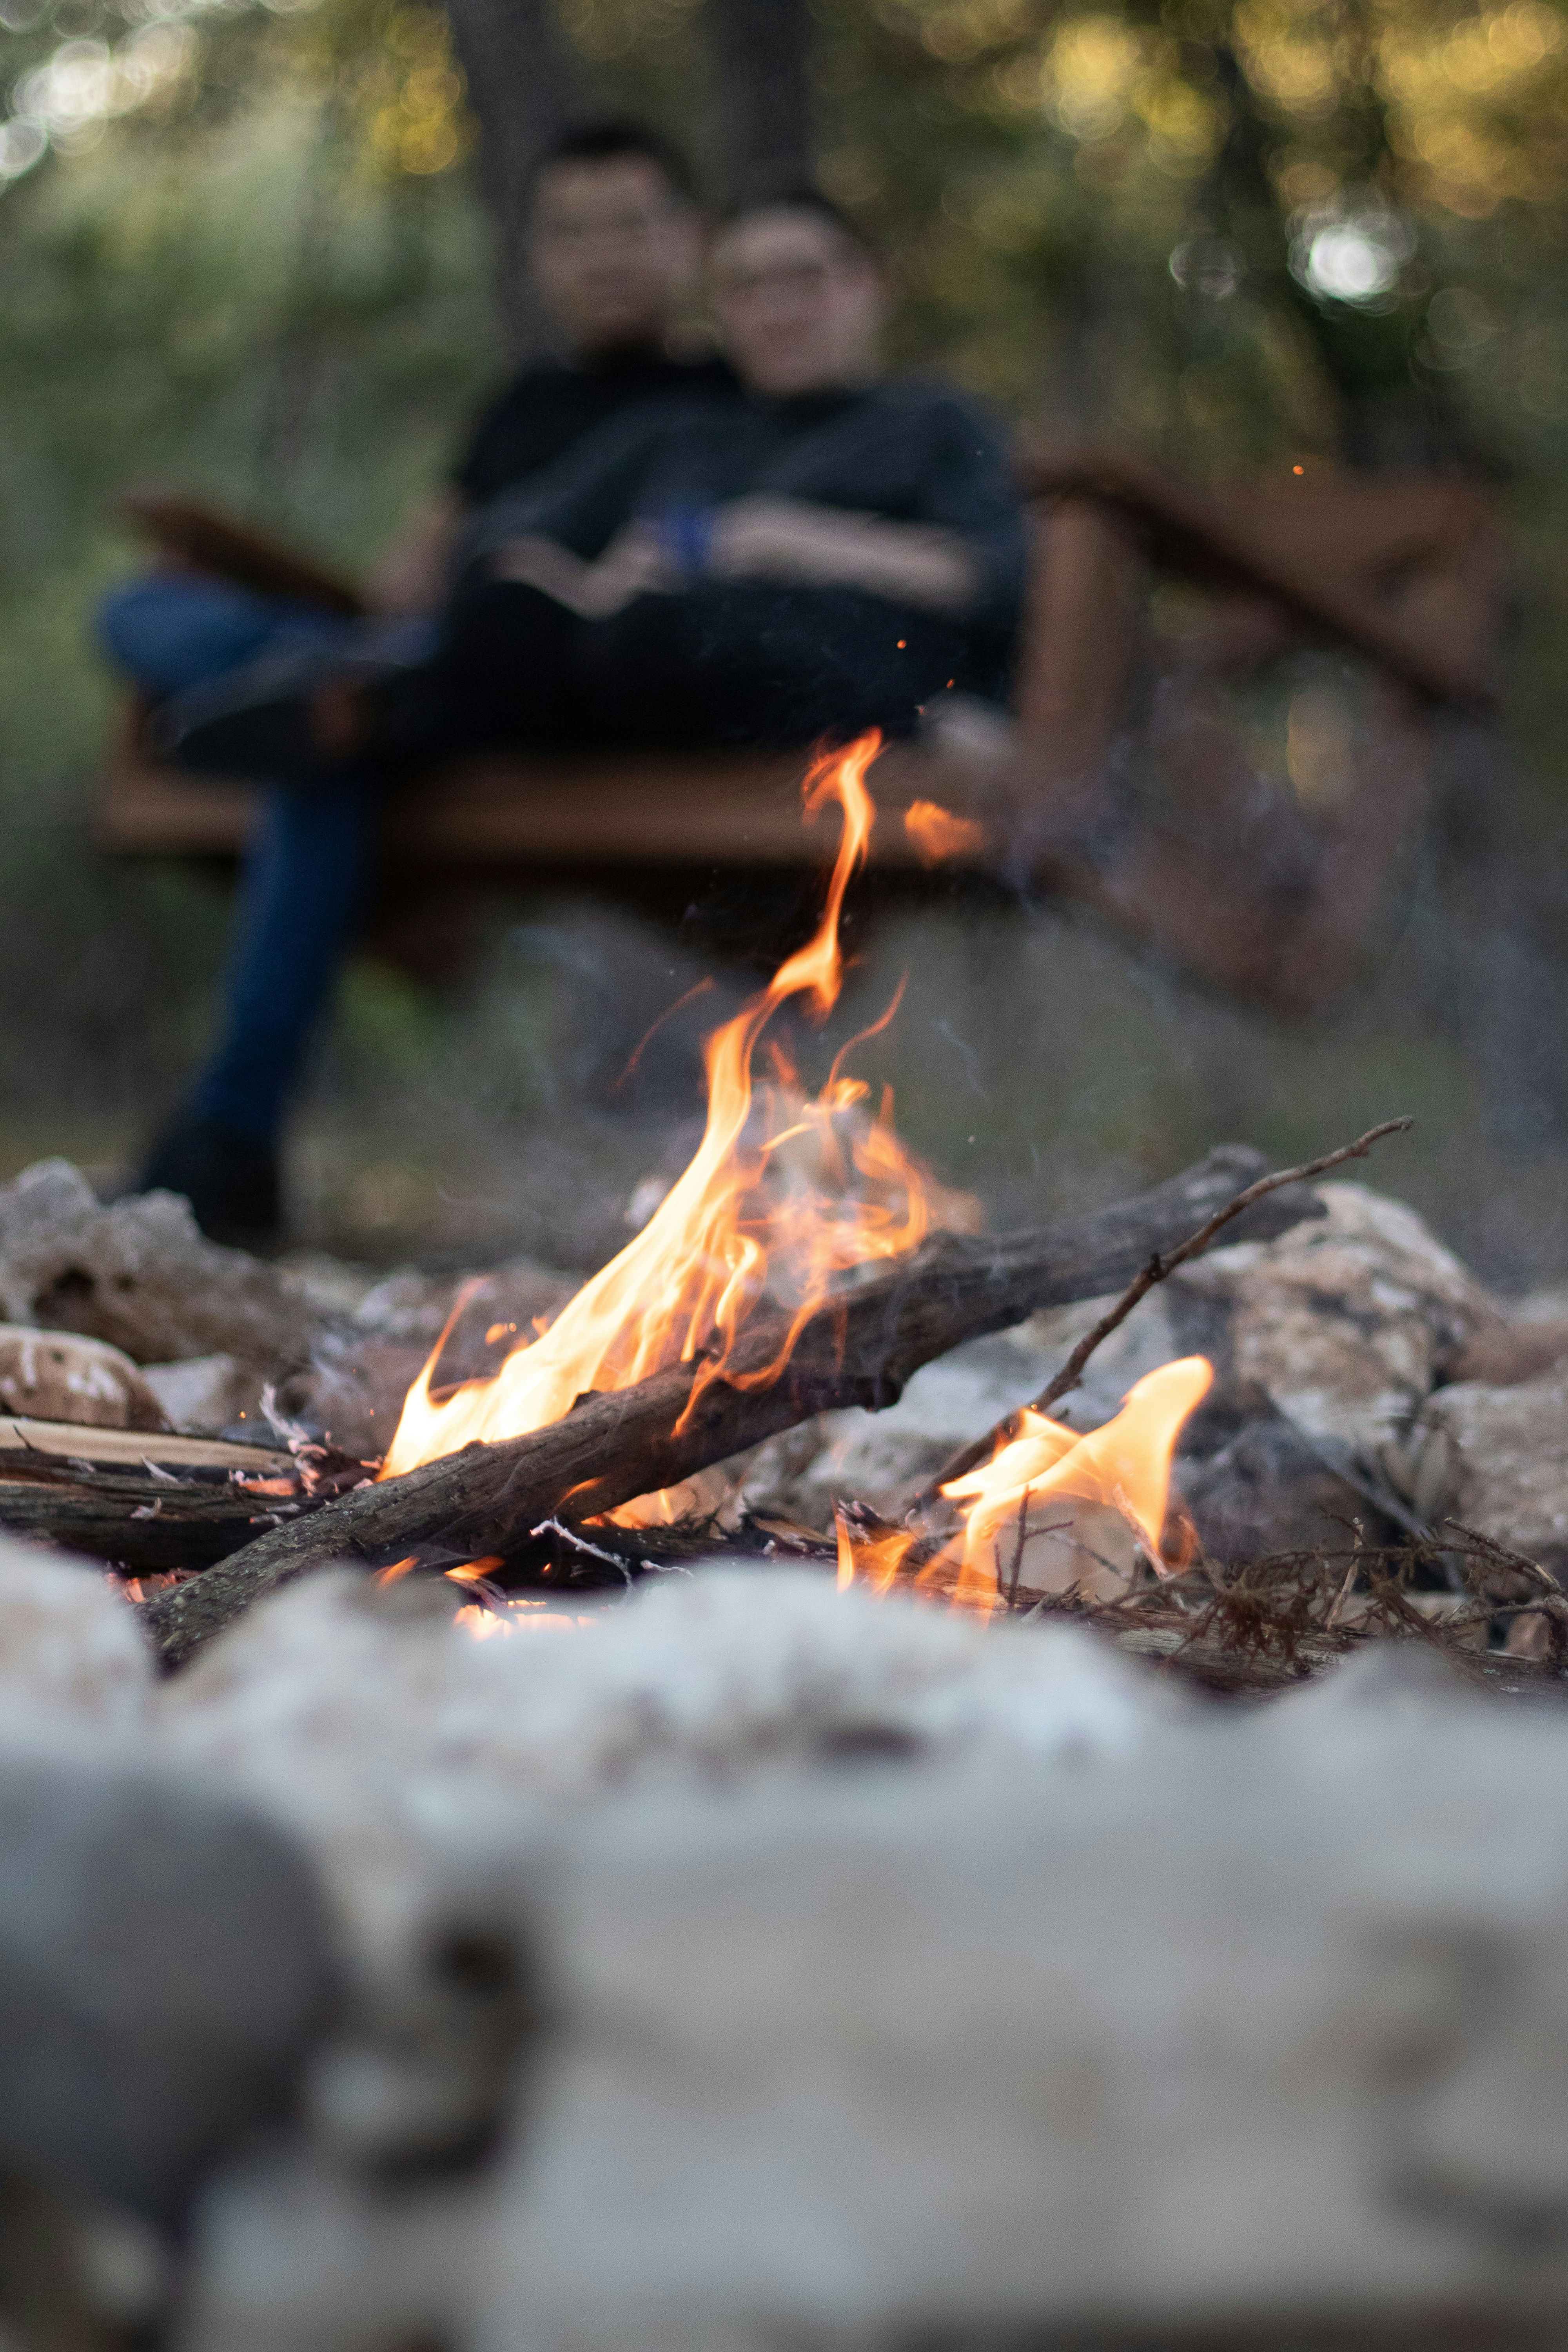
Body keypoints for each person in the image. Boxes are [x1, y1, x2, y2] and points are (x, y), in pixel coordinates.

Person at [98, 119, 731, 1247]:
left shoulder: (725, 401)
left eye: (632, 226)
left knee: (320, 761)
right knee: (144, 613)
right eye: (575, 233)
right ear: (542, 257)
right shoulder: (518, 406)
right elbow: (407, 575)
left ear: (687, 241)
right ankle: (316, 692)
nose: (605, 255)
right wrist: (370, 626)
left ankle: (229, 1143)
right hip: (406, 668)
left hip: (544, 688)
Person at [170, 193, 1025, 780]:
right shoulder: (682, 434)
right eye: (747, 287)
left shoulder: (931, 420)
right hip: (645, 696)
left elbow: (988, 577)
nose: (777, 309)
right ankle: (341, 718)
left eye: (802, 278)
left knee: (653, 628)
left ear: (864, 284)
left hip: (852, 672)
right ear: (720, 310)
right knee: (518, 617)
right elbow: (499, 538)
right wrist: (576, 576)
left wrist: (778, 538)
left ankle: (363, 711)